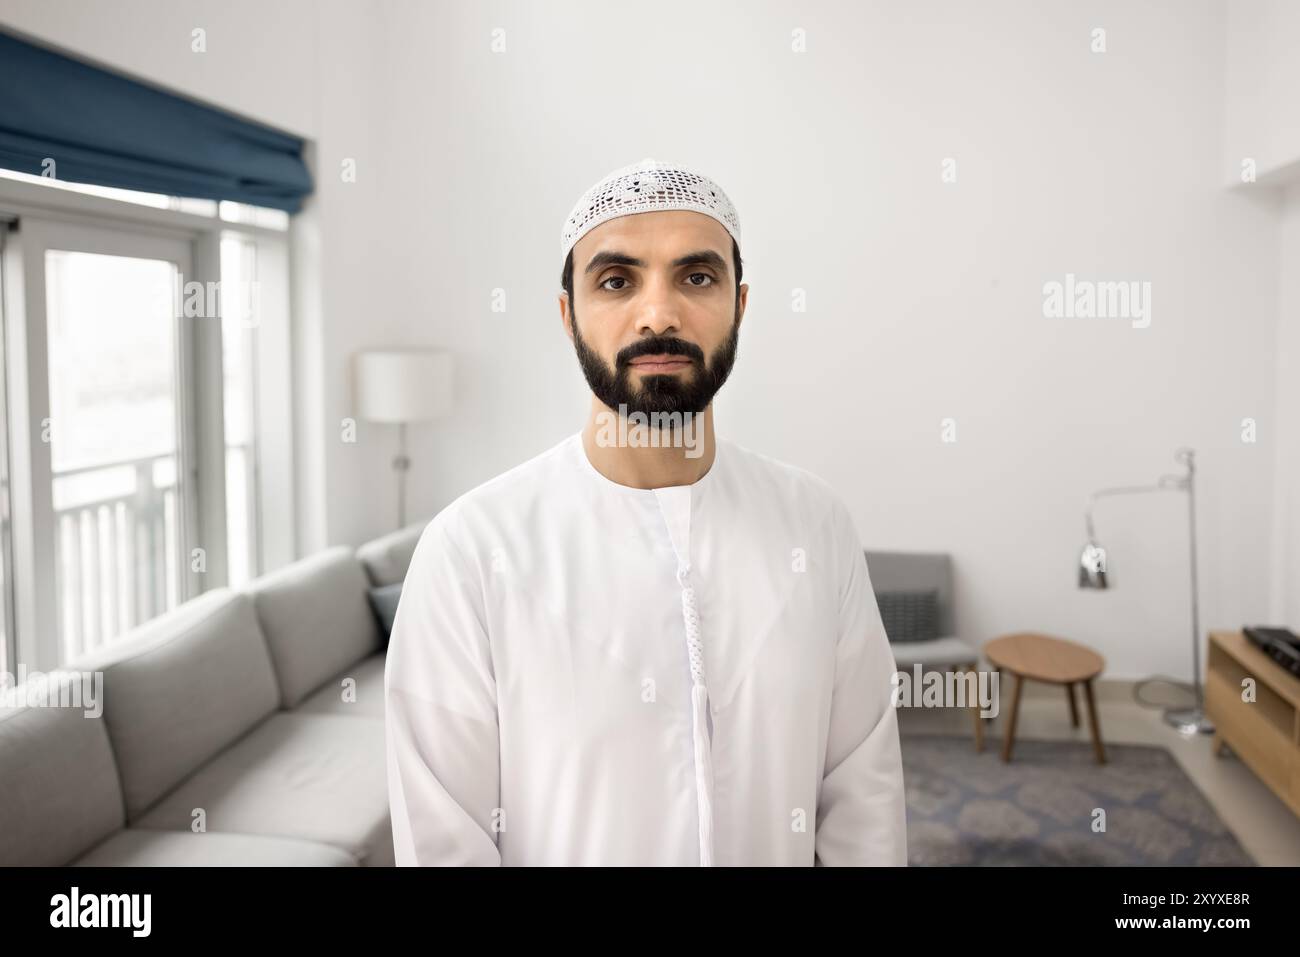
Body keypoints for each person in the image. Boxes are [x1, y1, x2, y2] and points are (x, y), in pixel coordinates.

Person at [384, 158, 907, 866]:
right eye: (616, 280)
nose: (659, 313)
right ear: (568, 314)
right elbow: (445, 843)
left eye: (696, 277)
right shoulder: (471, 552)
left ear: (740, 305)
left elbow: (864, 802)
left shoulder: (815, 527)